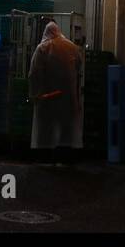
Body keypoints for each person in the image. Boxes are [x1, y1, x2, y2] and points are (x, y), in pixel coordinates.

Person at [28, 21, 83, 164]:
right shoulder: (72, 47)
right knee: (66, 130)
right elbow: (79, 68)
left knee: (46, 129)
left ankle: (45, 159)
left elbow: (34, 73)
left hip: (48, 97)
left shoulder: (42, 48)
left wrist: (35, 94)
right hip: (68, 97)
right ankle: (65, 159)